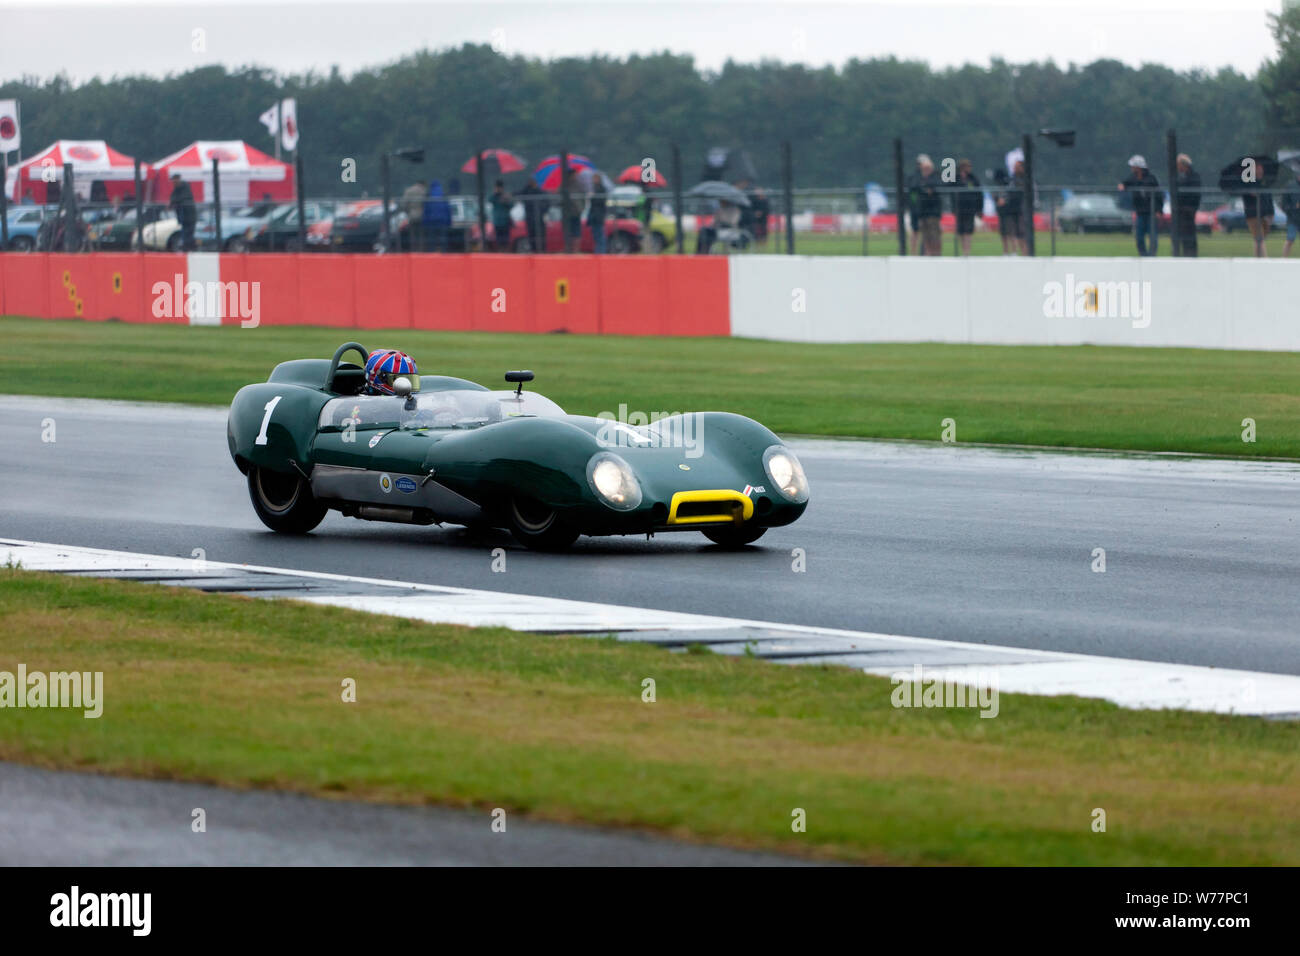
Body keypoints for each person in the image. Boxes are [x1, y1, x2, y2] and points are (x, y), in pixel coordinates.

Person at [1117, 155, 1160, 257]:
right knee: (1139, 236)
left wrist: (1159, 210)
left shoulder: (1151, 179)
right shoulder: (1133, 178)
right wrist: (1123, 185)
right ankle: (1143, 254)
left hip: (1151, 212)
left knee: (1152, 235)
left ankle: (1152, 255)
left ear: (1138, 167)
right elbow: (1125, 183)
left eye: (1133, 166)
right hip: (1140, 212)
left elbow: (1159, 195)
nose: (1131, 169)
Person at [1172, 154, 1201, 257]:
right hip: (1181, 211)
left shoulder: (1193, 177)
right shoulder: (1182, 177)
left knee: (1189, 234)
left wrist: (1189, 207)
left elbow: (1194, 195)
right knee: (1183, 235)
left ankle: (1191, 254)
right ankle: (1186, 254)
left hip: (1188, 211)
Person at [913, 155, 943, 255]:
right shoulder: (918, 177)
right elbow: (915, 187)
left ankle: (936, 254)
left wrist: (927, 188)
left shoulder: (936, 176)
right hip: (923, 211)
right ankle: (927, 254)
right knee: (925, 236)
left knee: (935, 235)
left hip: (933, 212)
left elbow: (936, 187)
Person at [952, 159, 981, 256]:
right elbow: (949, 185)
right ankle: (963, 250)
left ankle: (967, 251)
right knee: (961, 230)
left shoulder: (973, 178)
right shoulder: (956, 178)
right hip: (959, 207)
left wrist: (979, 208)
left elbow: (978, 193)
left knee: (968, 230)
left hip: (970, 208)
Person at [1243, 185, 1274, 258]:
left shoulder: (1265, 183)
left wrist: (1271, 212)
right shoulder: (1249, 182)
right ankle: (1265, 260)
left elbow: (1269, 198)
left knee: (1258, 239)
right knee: (1260, 238)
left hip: (1264, 214)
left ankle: (1257, 259)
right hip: (1253, 214)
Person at [169, 173, 197, 251]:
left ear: (178, 179)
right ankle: (188, 246)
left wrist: (173, 202)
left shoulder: (185, 187)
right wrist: (171, 203)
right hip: (183, 216)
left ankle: (189, 247)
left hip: (189, 216)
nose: (174, 182)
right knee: (185, 232)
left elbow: (181, 198)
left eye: (175, 180)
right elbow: (173, 198)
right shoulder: (177, 188)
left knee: (188, 232)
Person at [423, 179, 451, 253]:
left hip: (431, 220)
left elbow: (426, 210)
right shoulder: (444, 195)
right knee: (443, 237)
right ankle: (443, 251)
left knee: (432, 238)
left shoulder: (429, 196)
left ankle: (431, 251)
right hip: (442, 220)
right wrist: (449, 221)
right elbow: (448, 210)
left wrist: (425, 222)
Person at [518, 180, 546, 252]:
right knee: (531, 236)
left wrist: (542, 212)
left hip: (539, 218)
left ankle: (541, 251)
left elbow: (546, 203)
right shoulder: (526, 190)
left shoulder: (539, 191)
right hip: (530, 218)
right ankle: (534, 250)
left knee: (540, 236)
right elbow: (519, 193)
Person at [1279, 169, 1300, 258]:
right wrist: (1295, 207)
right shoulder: (1290, 186)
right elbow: (1284, 205)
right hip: (1293, 219)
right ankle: (1284, 260)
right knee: (1290, 240)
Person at [561, 168, 583, 253]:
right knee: (568, 231)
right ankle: (568, 248)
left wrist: (581, 208)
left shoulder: (578, 185)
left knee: (576, 232)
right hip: (567, 212)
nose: (575, 176)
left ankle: (576, 250)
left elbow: (581, 198)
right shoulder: (564, 185)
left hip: (576, 212)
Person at [402, 179, 427, 251]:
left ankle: (414, 249)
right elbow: (426, 204)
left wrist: (408, 212)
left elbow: (404, 204)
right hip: (422, 215)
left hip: (412, 215)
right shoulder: (423, 191)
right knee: (421, 234)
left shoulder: (408, 191)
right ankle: (421, 250)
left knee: (412, 234)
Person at [489, 178, 514, 252]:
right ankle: (501, 251)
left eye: (499, 187)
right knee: (499, 239)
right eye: (497, 187)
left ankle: (506, 251)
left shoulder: (505, 196)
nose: (498, 189)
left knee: (505, 240)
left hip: (505, 221)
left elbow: (511, 205)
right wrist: (495, 194)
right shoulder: (494, 197)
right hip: (497, 222)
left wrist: (506, 200)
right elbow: (490, 200)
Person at [587, 175, 607, 254]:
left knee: (599, 235)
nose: (593, 180)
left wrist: (592, 196)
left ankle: (600, 252)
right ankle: (598, 251)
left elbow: (599, 202)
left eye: (595, 178)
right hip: (595, 216)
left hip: (598, 216)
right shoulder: (595, 188)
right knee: (596, 235)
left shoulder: (600, 189)